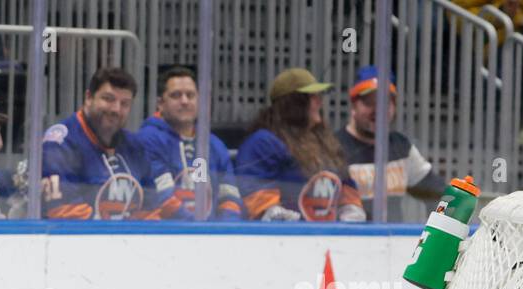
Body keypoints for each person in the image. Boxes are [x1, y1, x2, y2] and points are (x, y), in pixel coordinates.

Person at [41, 66, 178, 219]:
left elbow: (151, 211)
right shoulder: (61, 142)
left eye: (124, 103)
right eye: (108, 99)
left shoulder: (135, 147)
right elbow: (64, 213)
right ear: (88, 98)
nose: (116, 109)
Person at [235, 67, 365, 222]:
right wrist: (301, 227)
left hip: (327, 240)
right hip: (285, 241)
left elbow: (347, 191)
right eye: (312, 97)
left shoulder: (326, 142)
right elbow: (261, 207)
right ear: (292, 104)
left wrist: (350, 215)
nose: (320, 101)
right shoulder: (263, 143)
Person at [335, 66, 447, 221]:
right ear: (353, 106)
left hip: (393, 240)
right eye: (369, 102)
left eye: (385, 102)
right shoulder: (333, 147)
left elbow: (437, 194)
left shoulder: (402, 148)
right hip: (345, 242)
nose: (378, 110)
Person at [132, 66, 240, 220]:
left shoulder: (212, 144)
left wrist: (226, 230)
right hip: (167, 236)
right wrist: (198, 230)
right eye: (176, 95)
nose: (184, 101)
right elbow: (163, 199)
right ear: (160, 104)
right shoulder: (149, 139)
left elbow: (230, 197)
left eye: (190, 95)